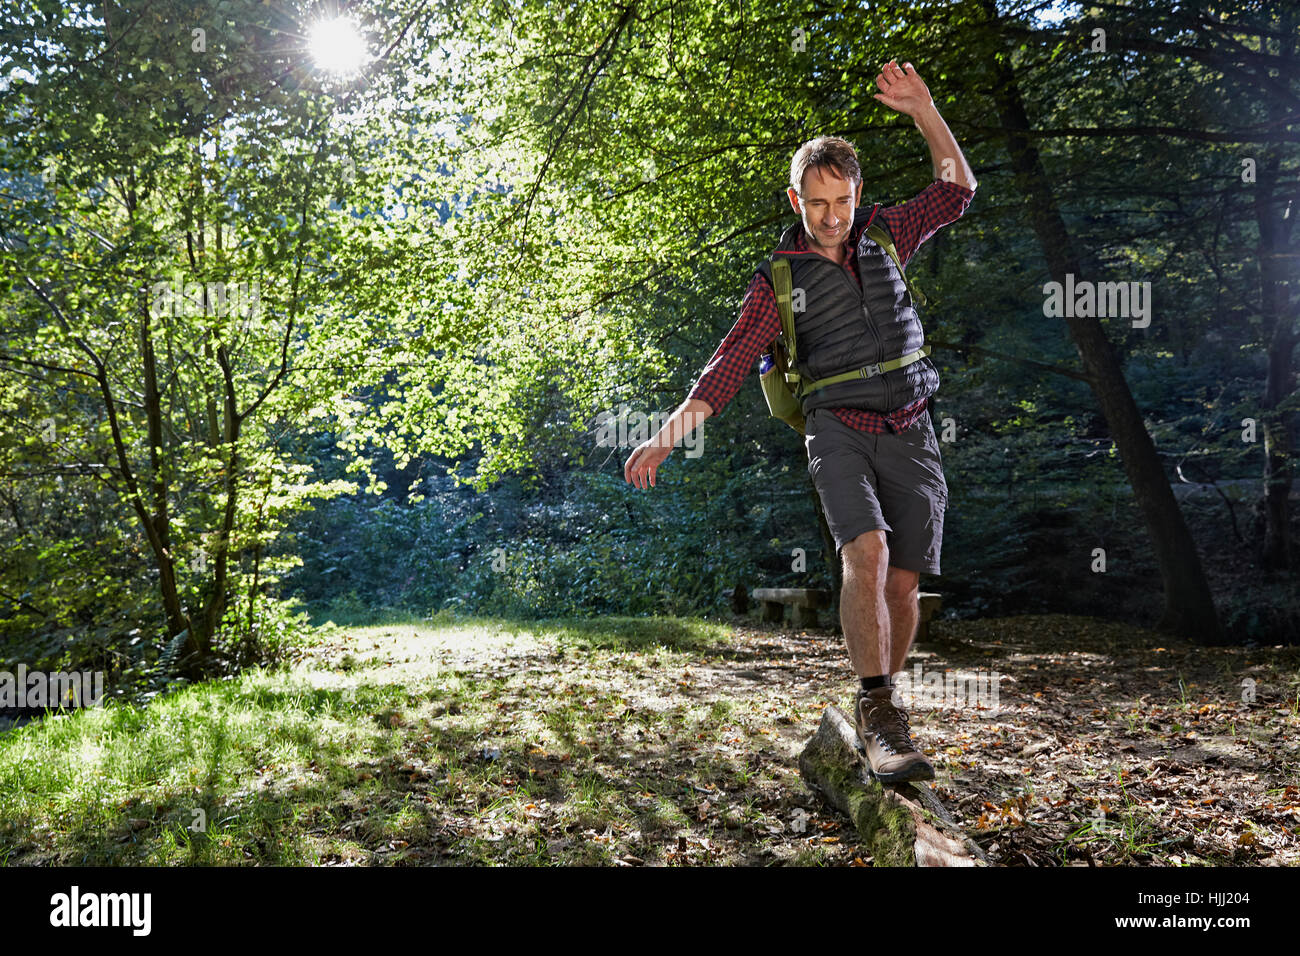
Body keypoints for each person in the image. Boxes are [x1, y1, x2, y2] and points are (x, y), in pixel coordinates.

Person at [624, 61, 976, 782]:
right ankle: (879, 713)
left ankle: (883, 704)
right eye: (816, 203)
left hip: (912, 424)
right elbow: (724, 370)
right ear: (796, 198)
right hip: (837, 426)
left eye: (841, 200)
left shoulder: (886, 235)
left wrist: (925, 109)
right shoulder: (778, 278)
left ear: (857, 195)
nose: (831, 216)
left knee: (906, 583)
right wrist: (662, 438)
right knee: (867, 553)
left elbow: (957, 190)